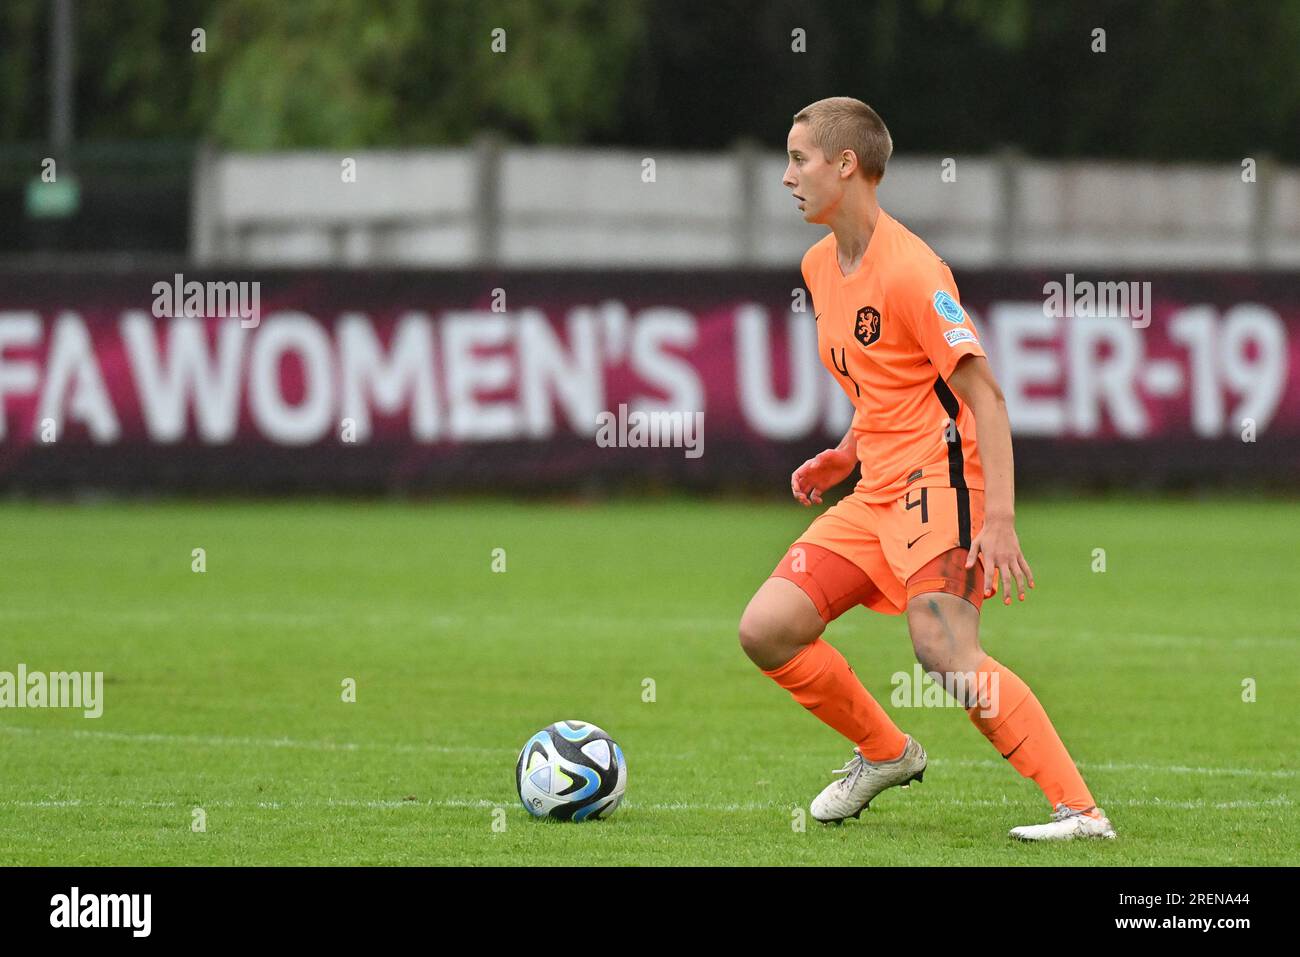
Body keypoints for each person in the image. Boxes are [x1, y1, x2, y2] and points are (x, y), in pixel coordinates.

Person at [738, 96, 1114, 841]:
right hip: (875, 486)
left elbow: (986, 396)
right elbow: (886, 381)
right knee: (767, 629)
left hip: (943, 482)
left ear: (847, 165)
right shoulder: (819, 264)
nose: (786, 176)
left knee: (942, 647)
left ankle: (1081, 812)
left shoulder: (913, 270)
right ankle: (884, 753)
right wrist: (847, 451)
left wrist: (999, 518)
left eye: (799, 157)